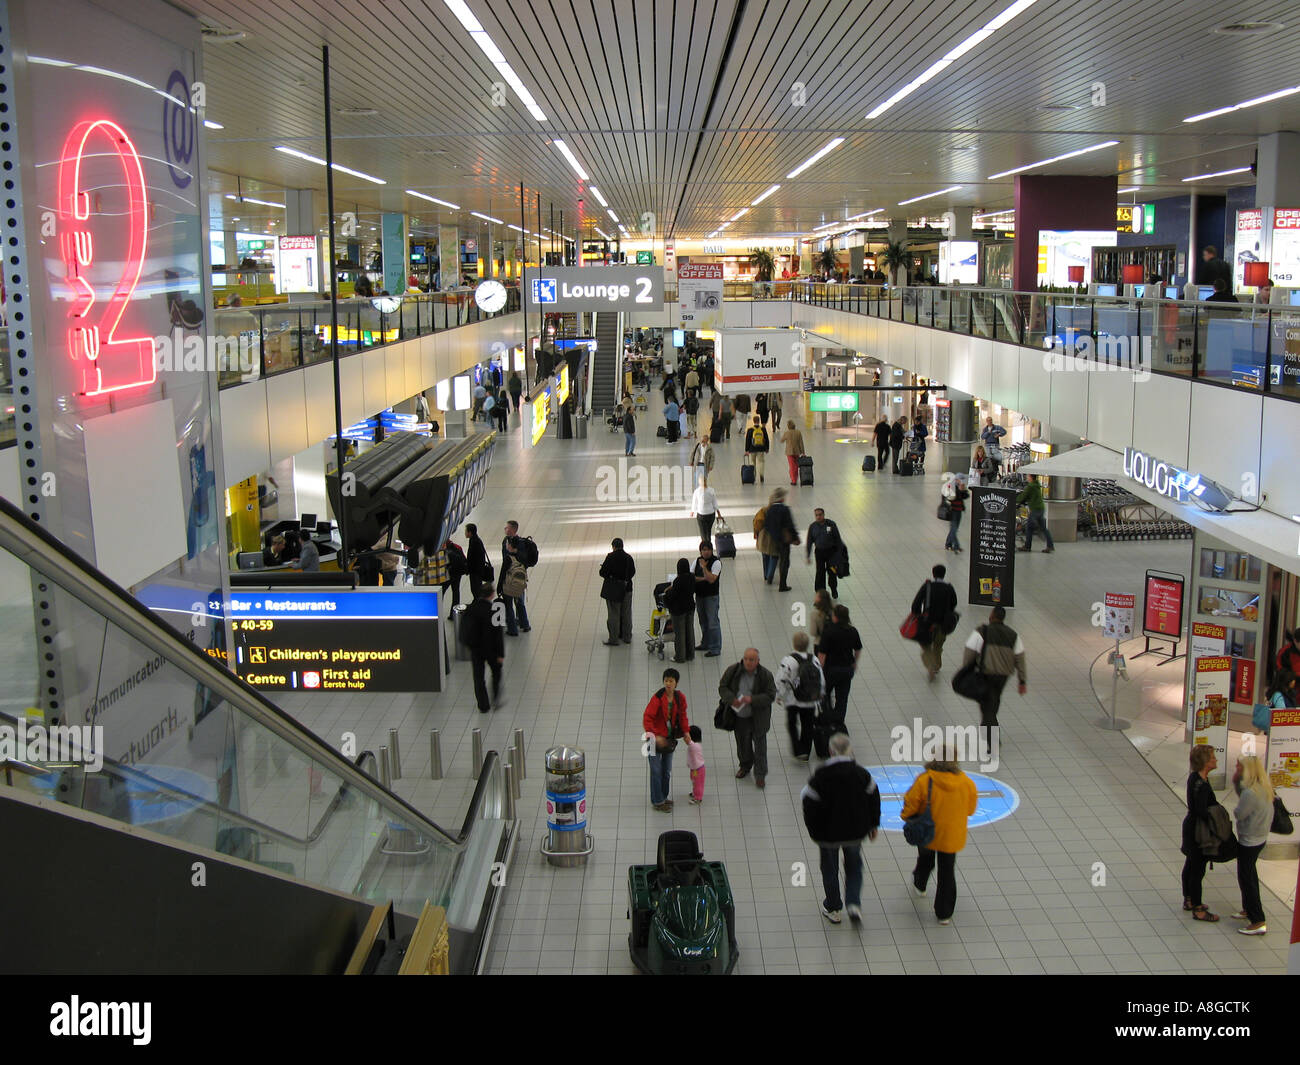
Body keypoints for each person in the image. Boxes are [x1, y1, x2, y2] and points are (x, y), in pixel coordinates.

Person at [802, 733, 881, 924]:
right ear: (850, 750)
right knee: (854, 866)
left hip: (827, 835)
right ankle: (853, 903)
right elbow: (874, 799)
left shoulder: (820, 777)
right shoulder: (862, 774)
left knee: (829, 868)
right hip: (855, 833)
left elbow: (808, 803)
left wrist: (814, 831)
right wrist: (873, 825)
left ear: (830, 751)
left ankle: (833, 907)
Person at [901, 748, 978, 925]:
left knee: (926, 858)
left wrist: (906, 816)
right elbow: (971, 809)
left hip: (927, 831)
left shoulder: (924, 780)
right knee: (947, 871)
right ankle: (944, 913)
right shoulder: (967, 783)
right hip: (951, 835)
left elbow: (911, 804)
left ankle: (920, 884)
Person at [963, 606, 1027, 753]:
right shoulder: (1013, 635)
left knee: (987, 708)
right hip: (1003, 677)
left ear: (992, 616)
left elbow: (969, 650)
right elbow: (1020, 658)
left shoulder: (982, 631)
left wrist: (966, 671)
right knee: (992, 702)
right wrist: (1022, 680)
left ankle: (993, 740)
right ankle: (991, 730)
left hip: (986, 675)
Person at [719, 648, 777, 789]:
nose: (748, 662)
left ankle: (760, 775)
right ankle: (745, 766)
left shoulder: (765, 675)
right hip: (739, 717)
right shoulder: (733, 671)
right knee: (742, 744)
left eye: (752, 660)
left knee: (760, 748)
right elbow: (723, 687)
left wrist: (752, 699)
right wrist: (732, 699)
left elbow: (771, 696)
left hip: (758, 718)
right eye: (746, 659)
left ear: (758, 661)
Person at [1231, 755, 1273, 935]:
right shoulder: (1264, 787)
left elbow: (1239, 814)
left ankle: (1258, 920)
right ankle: (1248, 908)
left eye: (1239, 766)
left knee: (1247, 879)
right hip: (1260, 838)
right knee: (1249, 875)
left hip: (1249, 840)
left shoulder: (1250, 793)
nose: (1236, 768)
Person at [1181, 745, 1221, 922]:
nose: (1216, 760)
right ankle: (1198, 908)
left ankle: (1188, 898)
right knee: (1198, 868)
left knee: (1190, 863)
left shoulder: (1193, 778)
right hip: (1200, 831)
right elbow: (1202, 811)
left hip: (1191, 827)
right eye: (1213, 757)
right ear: (1205, 762)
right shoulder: (1202, 786)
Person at [643, 668, 690, 811]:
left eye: (671, 681)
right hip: (653, 740)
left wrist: (686, 732)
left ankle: (663, 796)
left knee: (667, 770)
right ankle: (658, 801)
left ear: (676, 683)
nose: (668, 683)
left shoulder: (679, 698)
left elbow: (682, 716)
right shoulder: (657, 698)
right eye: (666, 680)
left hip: (668, 739)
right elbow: (647, 718)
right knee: (656, 770)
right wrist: (654, 736)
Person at [777, 631, 825, 762]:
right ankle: (806, 751)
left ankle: (797, 749)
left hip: (793, 699)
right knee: (808, 724)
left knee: (792, 723)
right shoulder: (814, 659)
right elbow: (821, 677)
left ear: (794, 644)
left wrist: (780, 695)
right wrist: (821, 693)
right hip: (810, 699)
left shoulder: (789, 660)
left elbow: (782, 679)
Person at [816, 604, 862, 729]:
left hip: (831, 670)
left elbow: (822, 655)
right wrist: (854, 663)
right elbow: (858, 649)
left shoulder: (829, 631)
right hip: (846, 670)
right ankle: (839, 722)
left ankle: (826, 719)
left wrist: (820, 671)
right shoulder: (853, 631)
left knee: (825, 695)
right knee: (842, 698)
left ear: (835, 617)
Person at [462, 582, 505, 713]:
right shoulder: (494, 610)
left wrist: (469, 645)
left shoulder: (471, 608)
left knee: (478, 677)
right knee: (496, 673)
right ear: (492, 594)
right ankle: (496, 698)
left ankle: (483, 704)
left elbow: (464, 629)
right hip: (491, 650)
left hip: (476, 649)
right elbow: (498, 634)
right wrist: (500, 654)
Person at [913, 564, 959, 681]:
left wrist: (917, 613)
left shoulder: (927, 587)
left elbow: (916, 603)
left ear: (933, 574)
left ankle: (930, 665)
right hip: (943, 623)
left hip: (927, 622)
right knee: (938, 645)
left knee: (926, 644)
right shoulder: (949, 588)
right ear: (944, 574)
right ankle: (936, 666)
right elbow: (954, 603)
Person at [598, 537, 635, 646]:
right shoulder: (628, 558)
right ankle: (627, 637)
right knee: (627, 613)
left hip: (613, 590)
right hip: (627, 588)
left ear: (613, 546)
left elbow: (602, 572)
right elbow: (632, 572)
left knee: (614, 613)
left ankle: (614, 638)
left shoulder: (610, 557)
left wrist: (610, 575)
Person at [498, 520, 532, 635]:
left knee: (508, 604)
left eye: (507, 528)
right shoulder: (522, 543)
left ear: (512, 529)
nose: (505, 529)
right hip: (520, 579)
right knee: (520, 602)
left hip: (509, 580)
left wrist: (499, 585)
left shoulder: (508, 550)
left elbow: (504, 567)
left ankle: (512, 629)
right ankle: (525, 624)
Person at [763, 487, 797, 592]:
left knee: (774, 557)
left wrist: (774, 535)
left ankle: (769, 577)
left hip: (774, 540)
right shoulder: (785, 509)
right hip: (784, 541)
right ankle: (782, 585)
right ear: (782, 498)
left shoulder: (770, 510)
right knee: (784, 562)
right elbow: (790, 525)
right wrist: (795, 537)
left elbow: (767, 525)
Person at [693, 540, 723, 657]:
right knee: (703, 621)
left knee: (713, 622)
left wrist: (704, 569)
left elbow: (712, 579)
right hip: (699, 596)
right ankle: (705, 643)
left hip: (711, 597)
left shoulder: (716, 562)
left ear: (711, 550)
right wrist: (704, 578)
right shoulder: (696, 561)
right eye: (703, 550)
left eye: (708, 549)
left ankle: (715, 647)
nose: (705, 552)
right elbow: (692, 577)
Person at [805, 507, 842, 598]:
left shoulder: (831, 524)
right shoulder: (813, 526)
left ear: (823, 515)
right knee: (820, 573)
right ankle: (820, 592)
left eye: (820, 515)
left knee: (832, 572)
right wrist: (808, 555)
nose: (818, 517)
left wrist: (839, 554)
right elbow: (809, 541)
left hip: (831, 552)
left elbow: (837, 539)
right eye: (816, 515)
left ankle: (833, 589)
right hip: (819, 552)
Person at [665, 557, 696, 663]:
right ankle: (690, 654)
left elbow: (673, 595)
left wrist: (668, 591)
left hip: (679, 610)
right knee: (689, 631)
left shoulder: (678, 580)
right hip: (690, 607)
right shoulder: (692, 577)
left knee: (679, 634)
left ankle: (680, 656)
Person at [1016, 475, 1054, 553]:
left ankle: (1027, 546)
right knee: (1044, 528)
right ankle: (1050, 546)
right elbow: (1030, 496)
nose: (1027, 477)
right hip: (1041, 508)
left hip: (1035, 510)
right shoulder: (1037, 485)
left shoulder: (1030, 486)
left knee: (1029, 528)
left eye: (1028, 476)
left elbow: (1022, 496)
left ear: (1030, 477)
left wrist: (1015, 499)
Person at [690, 476, 722, 546]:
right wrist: (718, 512)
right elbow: (714, 502)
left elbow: (694, 502)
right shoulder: (711, 490)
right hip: (711, 514)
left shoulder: (697, 491)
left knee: (703, 532)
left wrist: (692, 511)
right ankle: (709, 544)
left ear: (699, 482)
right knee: (708, 530)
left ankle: (705, 547)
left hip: (701, 514)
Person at [941, 473, 969, 553]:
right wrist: (959, 491)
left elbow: (966, 496)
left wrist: (962, 490)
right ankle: (956, 546)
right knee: (954, 529)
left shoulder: (961, 486)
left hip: (959, 510)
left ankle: (948, 544)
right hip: (952, 510)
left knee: (954, 529)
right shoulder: (950, 486)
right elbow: (950, 497)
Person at [755, 500, 777, 585]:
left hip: (763, 535)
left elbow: (757, 521)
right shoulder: (780, 511)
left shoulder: (764, 510)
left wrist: (756, 532)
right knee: (774, 555)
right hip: (774, 536)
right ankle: (770, 575)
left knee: (765, 555)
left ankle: (766, 575)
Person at [441, 537, 467, 606]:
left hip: (449, 574)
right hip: (458, 574)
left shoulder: (445, 551)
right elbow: (463, 559)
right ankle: (454, 614)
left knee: (441, 591)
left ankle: (438, 608)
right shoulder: (458, 547)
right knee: (456, 592)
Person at [684, 725, 707, 806]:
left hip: (698, 769)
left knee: (698, 784)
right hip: (695, 769)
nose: (684, 738)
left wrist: (687, 738)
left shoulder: (694, 746)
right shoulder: (695, 745)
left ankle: (698, 798)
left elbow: (690, 743)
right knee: (694, 782)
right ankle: (695, 793)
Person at [465, 523, 491, 590]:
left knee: (476, 589)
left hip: (476, 571)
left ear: (470, 532)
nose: (465, 533)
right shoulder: (475, 540)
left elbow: (472, 557)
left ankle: (477, 600)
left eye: (466, 531)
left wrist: (468, 568)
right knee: (475, 588)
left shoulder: (474, 542)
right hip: (477, 570)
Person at [744, 415, 769, 483]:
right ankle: (761, 474)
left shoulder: (750, 430)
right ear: (759, 421)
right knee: (761, 462)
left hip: (752, 449)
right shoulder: (763, 429)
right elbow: (766, 439)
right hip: (761, 449)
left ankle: (753, 476)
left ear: (753, 421)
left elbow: (747, 440)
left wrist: (746, 450)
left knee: (752, 463)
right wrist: (767, 448)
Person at [780, 419, 806, 486]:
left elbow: (781, 440)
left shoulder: (787, 433)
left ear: (788, 426)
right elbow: (801, 443)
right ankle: (795, 478)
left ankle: (793, 480)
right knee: (796, 466)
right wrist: (803, 452)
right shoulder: (798, 432)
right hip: (797, 452)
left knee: (792, 466)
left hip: (789, 452)